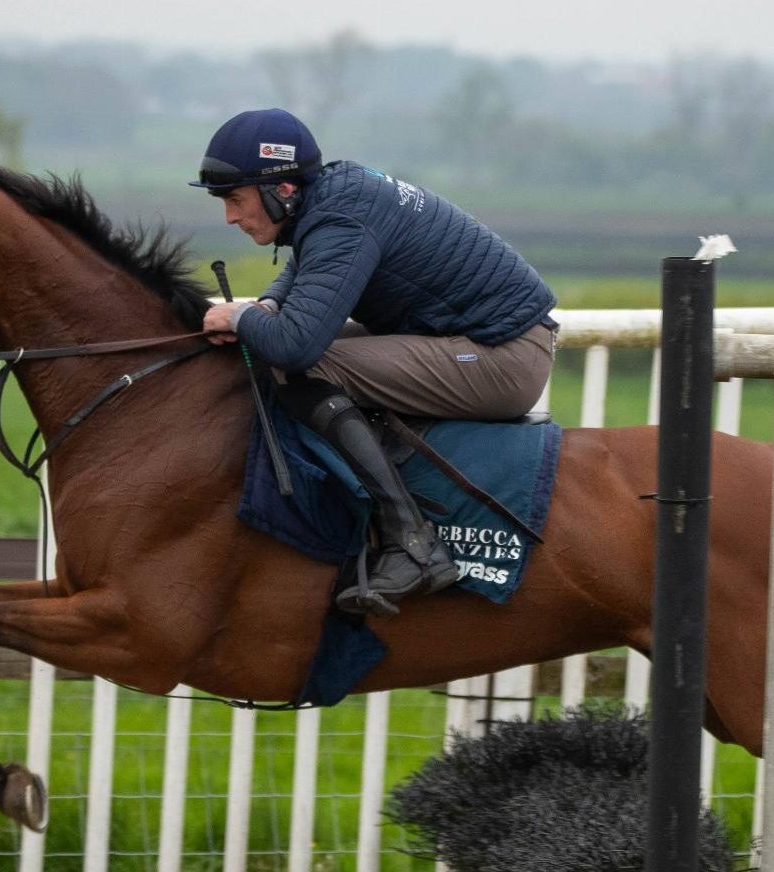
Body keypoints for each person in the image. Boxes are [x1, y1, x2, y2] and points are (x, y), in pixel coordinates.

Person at [192, 107, 559, 616]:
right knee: (279, 341)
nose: (230, 217)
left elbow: (298, 345)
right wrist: (269, 305)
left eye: (236, 199)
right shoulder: (334, 196)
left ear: (284, 190)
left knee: (301, 363)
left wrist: (239, 318)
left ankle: (413, 543)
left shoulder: (342, 216)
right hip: (471, 340)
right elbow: (308, 265)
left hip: (502, 357)